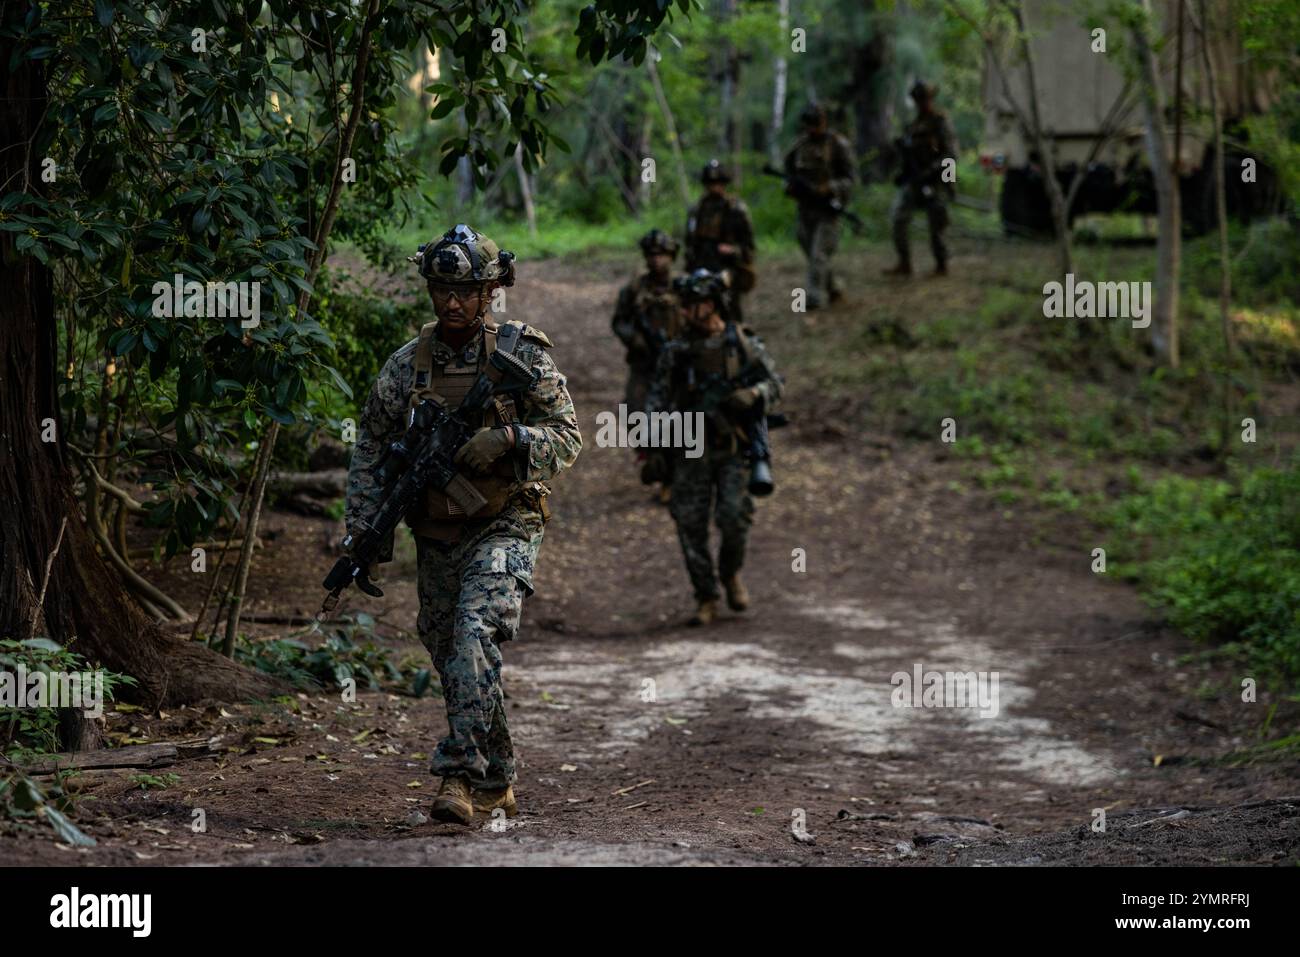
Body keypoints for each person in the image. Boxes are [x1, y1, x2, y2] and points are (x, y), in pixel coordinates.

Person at [344, 224, 581, 825]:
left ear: (489, 290)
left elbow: (569, 437)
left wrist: (509, 438)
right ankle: (497, 775)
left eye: (467, 290)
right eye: (443, 290)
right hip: (438, 530)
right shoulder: (406, 367)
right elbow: (371, 443)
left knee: (475, 633)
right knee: (451, 650)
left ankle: (458, 773)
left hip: (506, 520)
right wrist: (362, 531)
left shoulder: (520, 355)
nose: (453, 302)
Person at [646, 269, 783, 626]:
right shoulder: (675, 352)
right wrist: (655, 446)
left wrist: (754, 394)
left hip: (732, 446)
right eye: (685, 305)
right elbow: (656, 403)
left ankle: (731, 573)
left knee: (734, 518)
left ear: (712, 304)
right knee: (690, 524)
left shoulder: (741, 342)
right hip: (689, 449)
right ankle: (705, 594)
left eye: (695, 304)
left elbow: (775, 384)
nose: (687, 311)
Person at [783, 102, 855, 309]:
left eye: (816, 124)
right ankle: (834, 288)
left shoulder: (837, 144)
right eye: (809, 124)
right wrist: (791, 187)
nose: (812, 129)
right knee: (813, 254)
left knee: (819, 255)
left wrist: (830, 187)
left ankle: (813, 298)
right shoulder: (799, 147)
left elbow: (850, 179)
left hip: (828, 209)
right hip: (805, 209)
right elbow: (788, 173)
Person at [885, 81, 958, 277]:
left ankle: (941, 264)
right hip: (914, 181)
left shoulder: (940, 122)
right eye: (918, 100)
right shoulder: (912, 126)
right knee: (898, 218)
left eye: (924, 99)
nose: (921, 103)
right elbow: (907, 156)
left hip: (936, 180)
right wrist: (902, 171)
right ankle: (904, 262)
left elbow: (950, 155)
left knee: (937, 225)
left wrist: (940, 177)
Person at [684, 159, 756, 322]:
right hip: (701, 264)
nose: (714, 186)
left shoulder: (736, 209)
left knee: (730, 310)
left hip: (727, 266)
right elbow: (689, 241)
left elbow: (749, 246)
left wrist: (734, 250)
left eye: (718, 182)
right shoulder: (697, 210)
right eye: (710, 182)